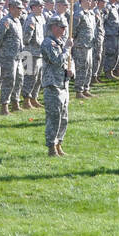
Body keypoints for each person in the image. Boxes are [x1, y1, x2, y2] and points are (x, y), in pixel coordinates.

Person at [40, 16, 72, 156]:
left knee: (64, 117)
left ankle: (59, 143)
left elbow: (69, 61)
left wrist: (71, 71)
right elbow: (56, 60)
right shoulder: (48, 43)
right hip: (52, 84)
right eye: (62, 27)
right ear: (54, 27)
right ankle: (51, 146)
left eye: (65, 27)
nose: (64, 30)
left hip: (63, 83)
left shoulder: (61, 42)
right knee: (54, 117)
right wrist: (66, 49)